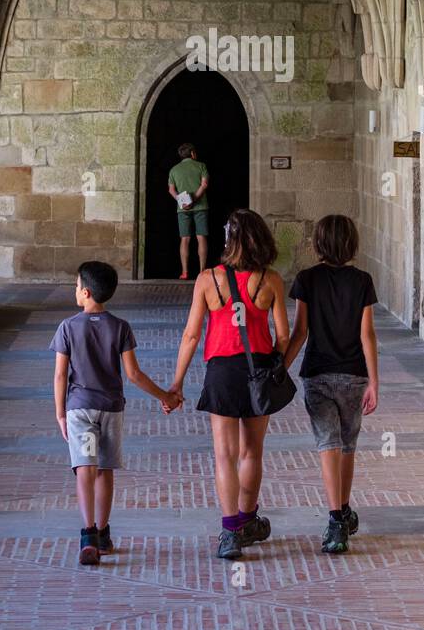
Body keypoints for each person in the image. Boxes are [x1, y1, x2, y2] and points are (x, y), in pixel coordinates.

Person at [170, 209, 289, 560]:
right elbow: (283, 335)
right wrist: (276, 365)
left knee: (224, 454)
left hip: (221, 372)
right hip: (258, 370)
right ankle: (249, 518)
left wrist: (176, 383)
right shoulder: (271, 280)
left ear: (229, 240)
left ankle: (230, 531)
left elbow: (192, 334)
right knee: (252, 451)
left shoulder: (208, 279)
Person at [51, 260, 181, 566]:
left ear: (84, 292)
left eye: (75, 286)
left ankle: (88, 534)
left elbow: (60, 375)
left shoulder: (68, 327)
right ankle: (105, 534)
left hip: (80, 408)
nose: (75, 291)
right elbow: (133, 374)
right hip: (110, 408)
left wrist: (59, 413)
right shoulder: (120, 327)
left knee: (85, 469)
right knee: (105, 469)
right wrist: (165, 396)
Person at [284, 215, 379, 554]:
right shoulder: (362, 280)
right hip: (353, 375)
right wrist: (374, 382)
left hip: (318, 374)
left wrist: (281, 366)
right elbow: (366, 335)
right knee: (348, 445)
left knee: (328, 443)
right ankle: (344, 509)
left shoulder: (307, 279)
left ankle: (336, 517)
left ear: (318, 244)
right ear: (352, 243)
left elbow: (299, 333)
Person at [168, 142, 209, 279]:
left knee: (184, 239)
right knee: (201, 237)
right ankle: (202, 271)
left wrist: (183, 202)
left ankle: (184, 272)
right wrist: (195, 199)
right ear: (192, 153)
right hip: (201, 207)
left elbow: (171, 190)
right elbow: (204, 185)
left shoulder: (174, 170)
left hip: (182, 209)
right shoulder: (201, 166)